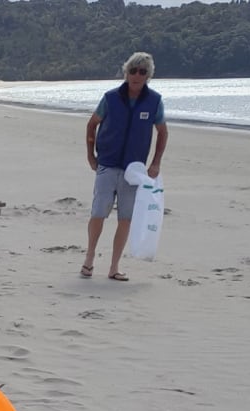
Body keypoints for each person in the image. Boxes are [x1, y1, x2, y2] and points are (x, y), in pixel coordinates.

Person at [82, 52, 169, 282]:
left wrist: (156, 163)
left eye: (142, 72)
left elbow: (162, 132)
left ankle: (114, 267)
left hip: (134, 171)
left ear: (148, 76)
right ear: (126, 73)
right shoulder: (110, 98)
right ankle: (89, 258)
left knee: (126, 218)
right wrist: (91, 155)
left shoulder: (154, 101)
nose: (137, 75)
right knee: (98, 213)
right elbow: (92, 124)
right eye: (133, 71)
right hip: (107, 164)